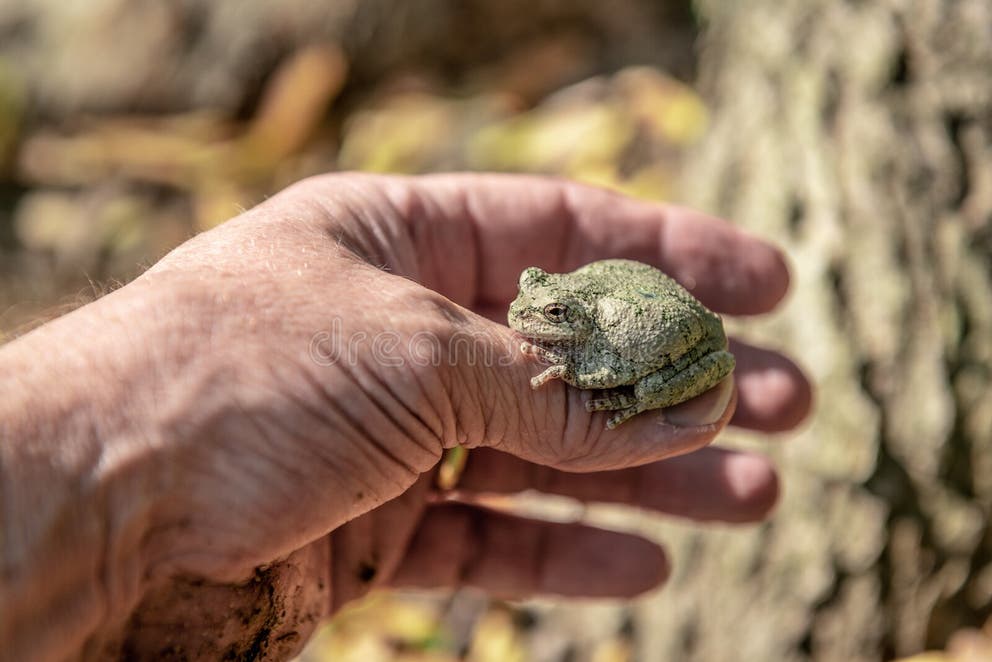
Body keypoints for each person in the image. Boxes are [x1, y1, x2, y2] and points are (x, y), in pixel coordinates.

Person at [0, 174, 811, 660]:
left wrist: (622, 398)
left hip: (667, 346)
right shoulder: (551, 311)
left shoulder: (597, 341)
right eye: (531, 300)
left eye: (549, 314)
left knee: (698, 365)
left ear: (577, 317)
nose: (528, 320)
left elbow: (652, 350)